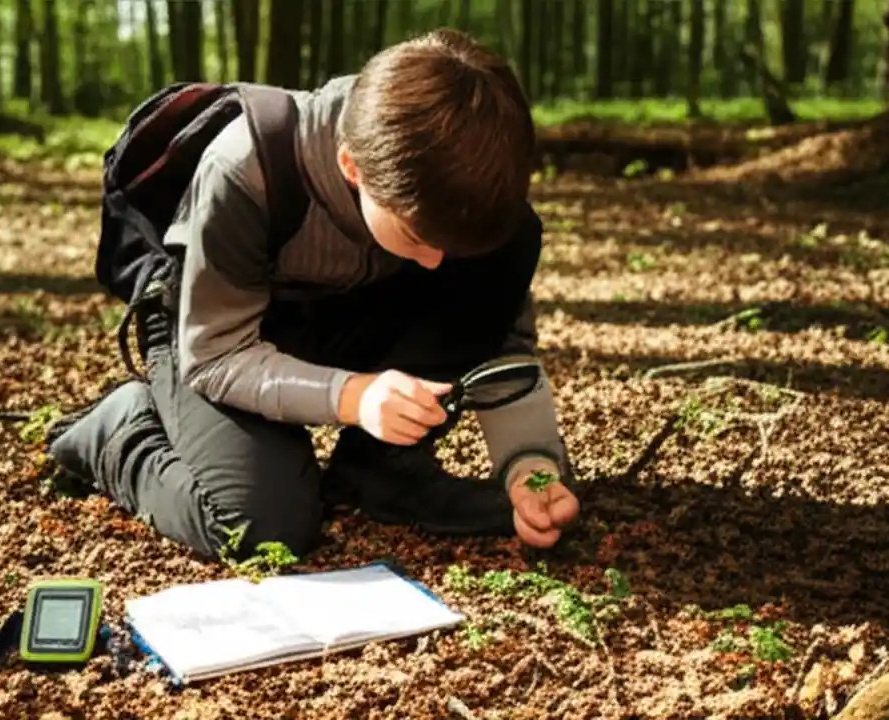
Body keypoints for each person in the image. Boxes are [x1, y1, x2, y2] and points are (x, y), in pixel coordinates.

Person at [46, 29, 580, 562]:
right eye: (417, 238)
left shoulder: (465, 192)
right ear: (352, 167)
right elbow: (214, 355)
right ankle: (120, 431)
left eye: (453, 247)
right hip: (214, 333)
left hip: (349, 310)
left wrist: (529, 467)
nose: (438, 263)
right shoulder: (248, 169)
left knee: (492, 256)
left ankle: (376, 471)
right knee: (261, 526)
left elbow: (497, 343)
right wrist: (353, 397)